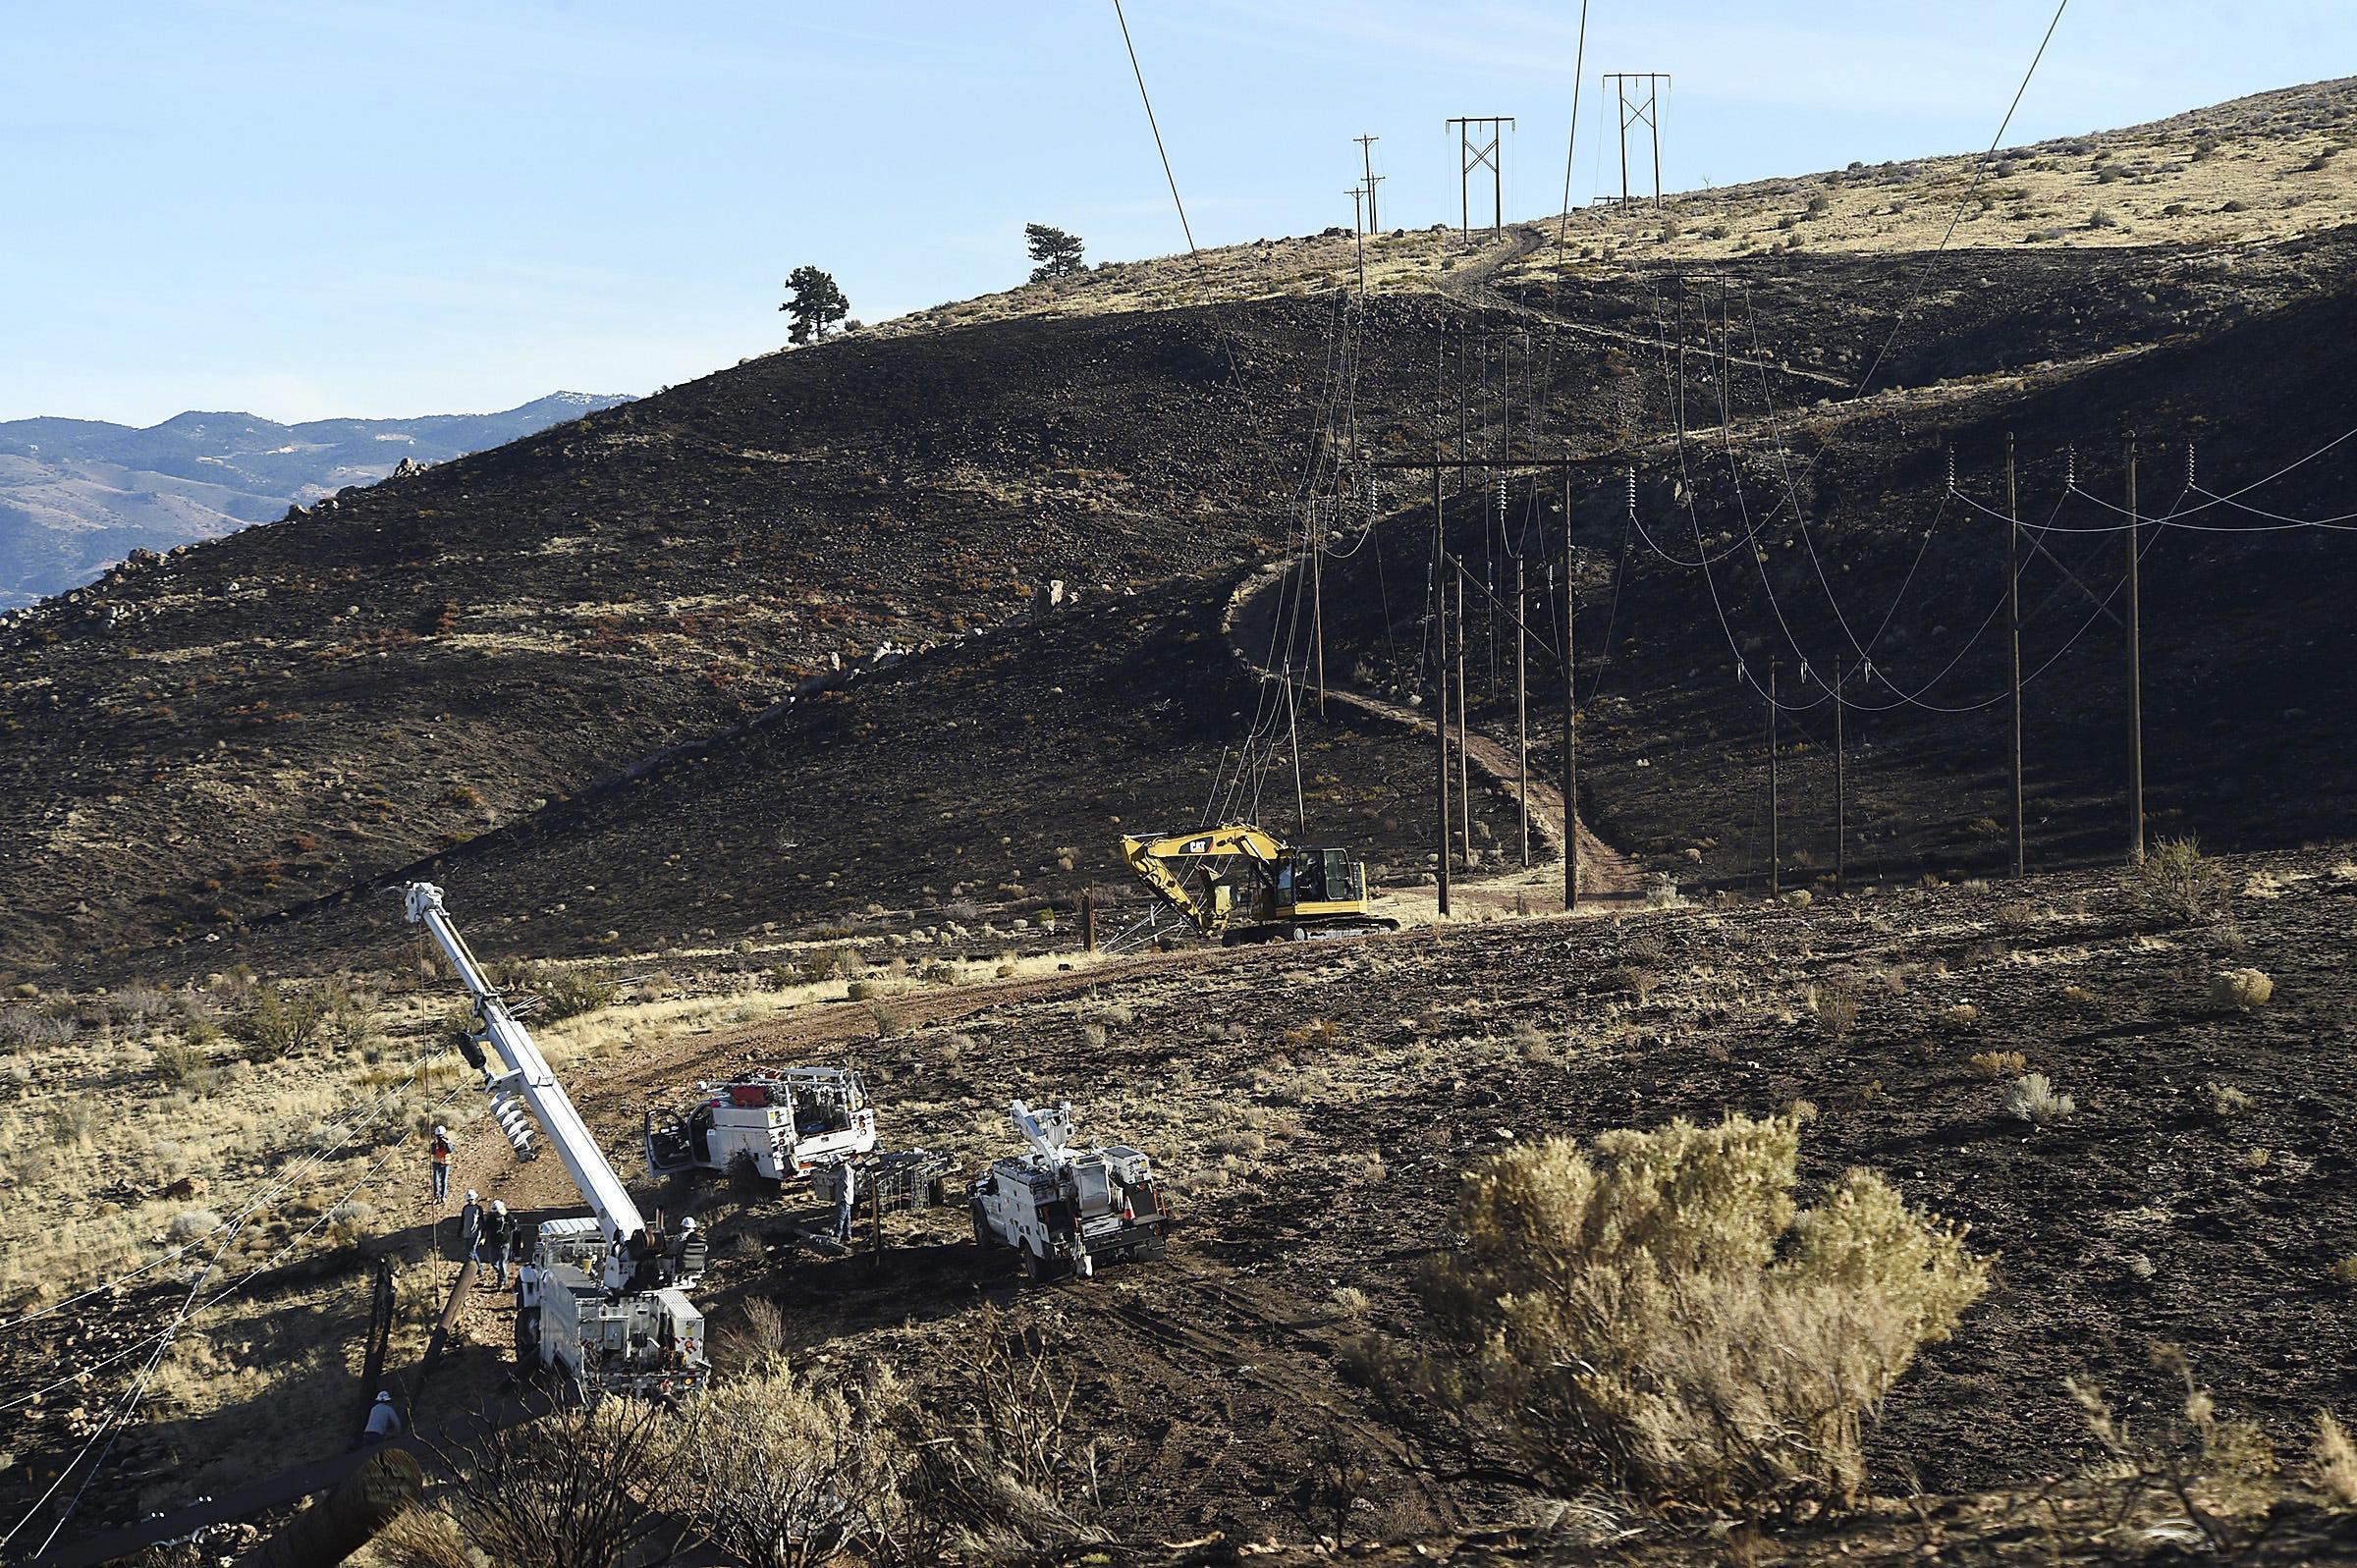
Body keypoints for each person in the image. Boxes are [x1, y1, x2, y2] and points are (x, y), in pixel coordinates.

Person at [481, 1199, 513, 1287]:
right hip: (493, 1243)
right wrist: (483, 1238)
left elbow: (515, 1228)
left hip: (505, 1243)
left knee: (502, 1263)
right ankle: (503, 1274)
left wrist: (518, 1241)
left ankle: (501, 1281)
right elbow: (485, 1228)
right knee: (493, 1262)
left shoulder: (508, 1217)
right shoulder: (490, 1218)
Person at [833, 1157, 858, 1245]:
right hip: (846, 1197)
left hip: (843, 1197)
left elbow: (845, 1183)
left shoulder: (845, 1170)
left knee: (841, 1218)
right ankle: (847, 1235)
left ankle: (837, 1236)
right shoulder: (847, 1169)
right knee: (847, 1218)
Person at [428, 1125, 453, 1203]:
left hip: (445, 1163)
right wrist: (435, 1145)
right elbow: (431, 1152)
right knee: (435, 1181)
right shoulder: (434, 1143)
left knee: (444, 1180)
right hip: (436, 1163)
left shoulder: (448, 1142)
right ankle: (436, 1196)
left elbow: (450, 1150)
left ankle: (443, 1196)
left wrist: (446, 1143)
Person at [459, 1190, 484, 1261]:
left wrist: (483, 1236)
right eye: (468, 1200)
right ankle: (479, 1269)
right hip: (466, 1234)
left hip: (475, 1234)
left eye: (471, 1200)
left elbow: (482, 1222)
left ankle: (476, 1269)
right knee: (471, 1252)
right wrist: (460, 1231)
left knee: (471, 1253)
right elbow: (463, 1220)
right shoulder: (465, 1208)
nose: (470, 1201)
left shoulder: (478, 1209)